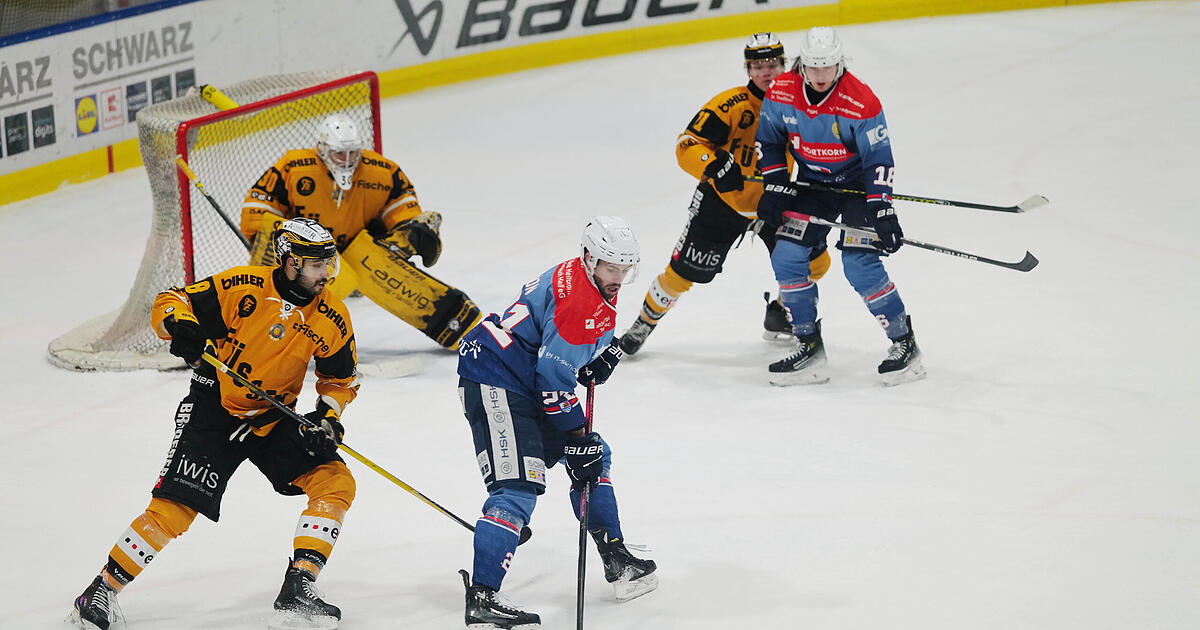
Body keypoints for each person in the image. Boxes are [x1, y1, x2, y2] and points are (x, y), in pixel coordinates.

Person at [70, 218, 360, 629]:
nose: (327, 274)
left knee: (336, 482)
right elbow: (171, 300)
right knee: (175, 508)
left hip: (272, 416)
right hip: (213, 410)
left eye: (329, 263)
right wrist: (181, 325)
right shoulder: (243, 286)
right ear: (291, 263)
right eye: (317, 265)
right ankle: (100, 590)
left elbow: (340, 379)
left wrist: (328, 418)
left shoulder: (332, 314)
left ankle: (299, 584)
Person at [454, 216, 658, 627]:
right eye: (610, 267)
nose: (618, 277)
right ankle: (482, 596)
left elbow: (557, 349)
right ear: (590, 258)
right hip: (496, 376)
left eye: (624, 268)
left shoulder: (585, 276)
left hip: (522, 376)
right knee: (518, 485)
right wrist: (575, 433)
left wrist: (591, 359)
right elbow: (552, 378)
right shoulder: (580, 300)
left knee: (594, 458)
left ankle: (616, 557)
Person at [618, 33, 831, 356]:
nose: (765, 72)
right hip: (723, 202)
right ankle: (644, 323)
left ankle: (779, 312)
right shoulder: (730, 105)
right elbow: (687, 145)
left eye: (771, 63)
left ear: (784, 65)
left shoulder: (800, 105)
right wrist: (713, 163)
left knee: (815, 263)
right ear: (747, 69)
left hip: (776, 201)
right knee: (682, 273)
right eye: (757, 65)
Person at [755, 26, 925, 386]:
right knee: (786, 255)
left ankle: (904, 343)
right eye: (813, 68)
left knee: (859, 264)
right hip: (814, 184)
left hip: (857, 186)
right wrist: (774, 185)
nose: (819, 76)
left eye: (827, 68)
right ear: (802, 65)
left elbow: (878, 157)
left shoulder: (860, 99)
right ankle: (808, 343)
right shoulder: (782, 92)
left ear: (839, 63)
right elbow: (768, 140)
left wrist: (882, 208)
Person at [241, 113, 480, 350]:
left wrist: (410, 230)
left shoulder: (381, 171)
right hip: (307, 253)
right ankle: (266, 331)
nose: (347, 160)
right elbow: (260, 203)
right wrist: (267, 239)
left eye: (352, 153)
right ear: (322, 150)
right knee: (299, 288)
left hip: (358, 253)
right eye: (339, 153)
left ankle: (461, 325)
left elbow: (400, 200)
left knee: (380, 269)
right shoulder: (295, 166)